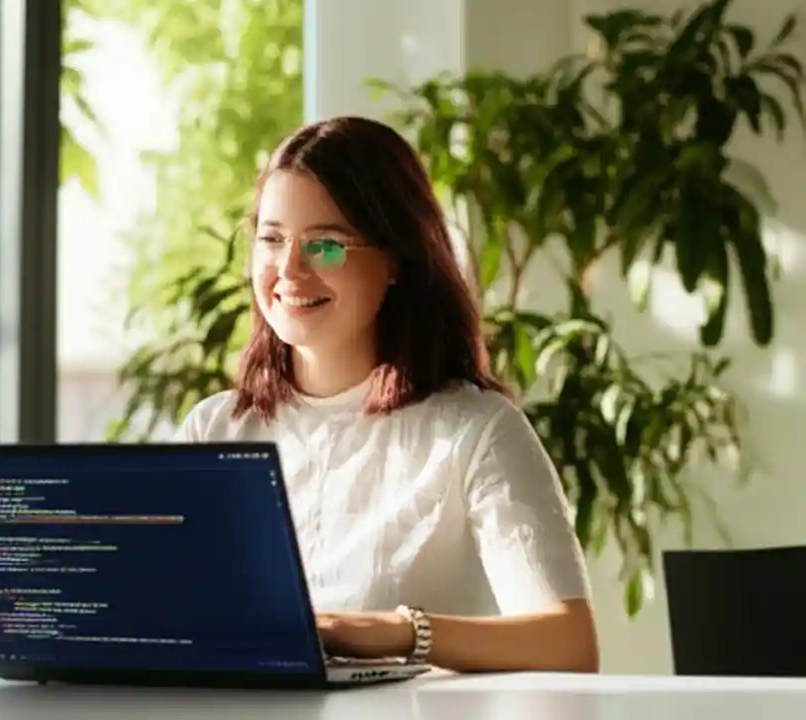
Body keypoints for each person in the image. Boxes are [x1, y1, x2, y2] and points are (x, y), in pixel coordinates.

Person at [175, 116, 599, 673]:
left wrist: (394, 632)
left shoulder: (476, 431)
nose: (289, 269)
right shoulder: (215, 430)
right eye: (272, 239)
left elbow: (568, 646)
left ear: (396, 258)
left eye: (325, 245)